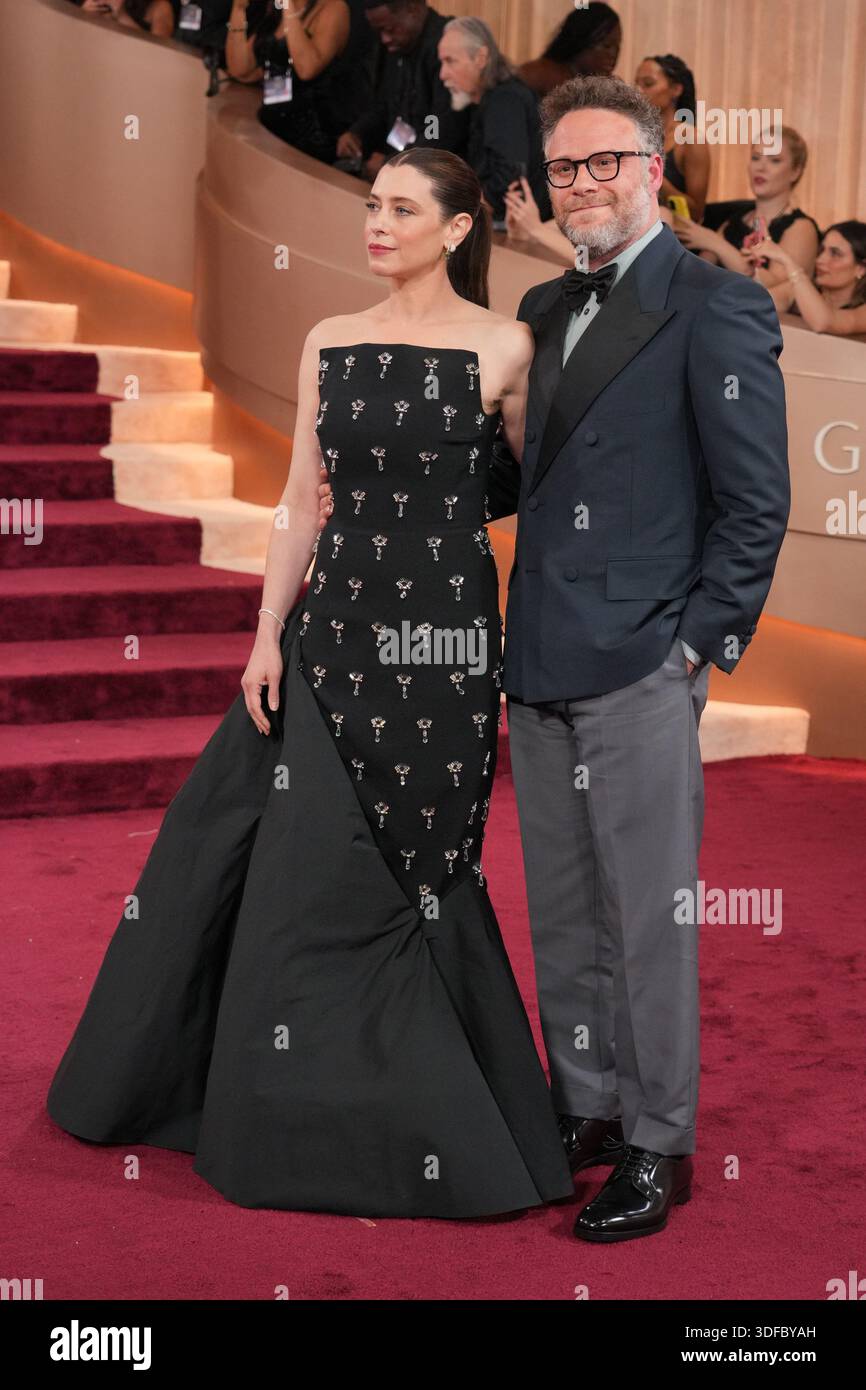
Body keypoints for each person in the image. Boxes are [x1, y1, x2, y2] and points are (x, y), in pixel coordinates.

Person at [46, 148, 577, 1220]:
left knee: (424, 863)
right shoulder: (328, 340)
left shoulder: (508, 344)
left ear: (458, 228)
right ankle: (294, 1114)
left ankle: (433, 1116)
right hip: (335, 632)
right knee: (300, 873)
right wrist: (265, 632)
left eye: (397, 208)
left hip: (444, 648)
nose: (373, 224)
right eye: (368, 206)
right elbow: (297, 498)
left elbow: (535, 484)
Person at [321, 75, 790, 1241]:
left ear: (651, 167)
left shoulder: (709, 305)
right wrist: (393, 484)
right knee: (565, 913)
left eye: (603, 164)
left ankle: (657, 1141)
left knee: (646, 918)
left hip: (641, 661)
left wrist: (694, 650)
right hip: (530, 654)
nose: (582, 186)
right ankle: (585, 1106)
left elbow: (753, 505)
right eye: (563, 169)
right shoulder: (534, 307)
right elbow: (512, 477)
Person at [336, 0, 470, 181]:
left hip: (437, 175)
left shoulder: (445, 49)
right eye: (379, 32)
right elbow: (385, 103)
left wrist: (391, 164)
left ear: (413, 10)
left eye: (390, 29)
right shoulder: (400, 45)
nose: (385, 39)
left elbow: (439, 129)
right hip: (403, 160)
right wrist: (358, 132)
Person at [673, 126, 820, 290]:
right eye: (756, 158)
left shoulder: (801, 228)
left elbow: (775, 292)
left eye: (774, 160)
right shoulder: (736, 220)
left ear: (795, 171)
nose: (761, 167)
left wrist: (716, 244)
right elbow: (697, 276)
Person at [438, 17, 550, 226]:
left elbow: (511, 175)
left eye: (450, 61)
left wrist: (466, 205)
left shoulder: (504, 100)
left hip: (513, 229)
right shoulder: (484, 99)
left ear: (480, 58)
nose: (443, 74)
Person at [226, 0, 364, 165]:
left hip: (311, 137)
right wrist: (238, 9)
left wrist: (288, 6)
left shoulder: (333, 9)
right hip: (271, 127)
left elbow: (306, 69)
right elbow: (239, 68)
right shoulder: (277, 10)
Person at [746, 220, 866, 338]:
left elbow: (822, 323)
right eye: (822, 250)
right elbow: (752, 306)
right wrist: (752, 267)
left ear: (861, 269)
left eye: (835, 253)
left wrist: (787, 261)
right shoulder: (796, 291)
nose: (820, 260)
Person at [634, 54, 709, 221]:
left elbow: (696, 214)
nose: (638, 91)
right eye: (636, 84)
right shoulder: (635, 134)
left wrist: (650, 173)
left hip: (675, 234)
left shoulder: (691, 139)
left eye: (648, 84)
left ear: (676, 89)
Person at [516, 2, 621, 98]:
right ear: (581, 40)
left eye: (617, 47)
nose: (613, 54)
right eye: (606, 46)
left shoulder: (609, 87)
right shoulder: (538, 75)